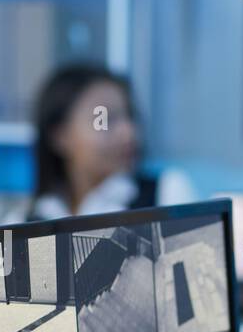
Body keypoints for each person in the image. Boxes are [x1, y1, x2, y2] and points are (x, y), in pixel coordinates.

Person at [23, 63, 194, 221]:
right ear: (59, 135)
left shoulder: (166, 193)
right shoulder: (24, 220)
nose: (128, 133)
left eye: (129, 116)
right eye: (105, 119)